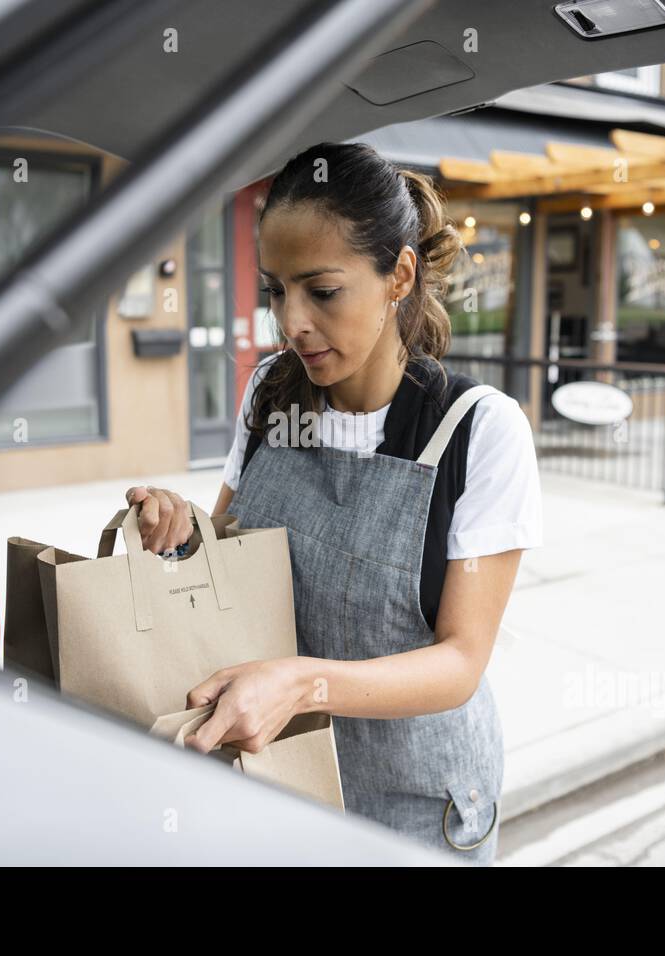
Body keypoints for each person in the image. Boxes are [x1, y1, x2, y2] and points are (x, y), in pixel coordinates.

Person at [124, 141, 542, 865]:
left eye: (321, 291)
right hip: (285, 782)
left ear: (398, 276)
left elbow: (460, 662)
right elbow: (227, 553)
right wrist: (181, 529)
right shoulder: (271, 394)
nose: (292, 322)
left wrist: (303, 681)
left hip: (420, 811)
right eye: (275, 291)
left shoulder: (479, 430)